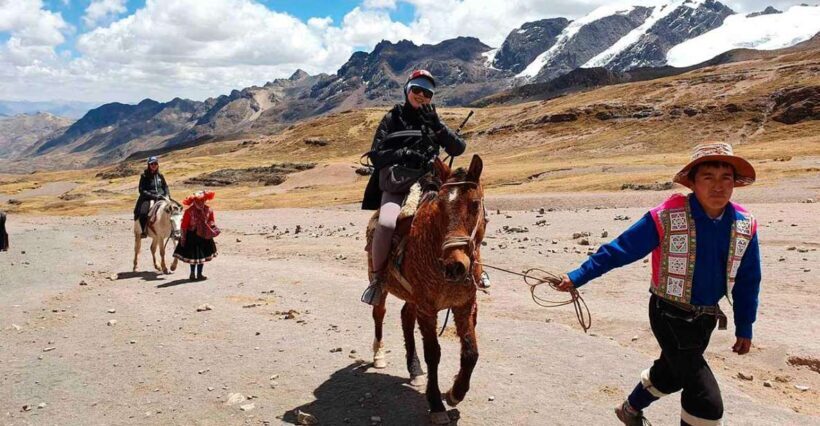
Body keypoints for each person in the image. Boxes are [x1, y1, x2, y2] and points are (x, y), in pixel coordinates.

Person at [557, 143, 761, 426]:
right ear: (693, 182)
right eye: (708, 177)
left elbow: (749, 279)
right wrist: (578, 275)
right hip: (668, 313)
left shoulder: (744, 224)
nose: (718, 186)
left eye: (726, 177)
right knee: (705, 398)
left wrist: (745, 325)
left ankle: (629, 409)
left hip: (706, 318)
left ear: (735, 183)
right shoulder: (667, 216)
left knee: (673, 373)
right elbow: (621, 249)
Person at [360, 69, 467, 304]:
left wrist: (437, 125)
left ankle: (474, 272)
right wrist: (404, 153)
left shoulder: (433, 118)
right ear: (407, 90)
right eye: (416, 90)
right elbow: (376, 156)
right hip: (398, 183)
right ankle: (378, 280)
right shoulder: (392, 118)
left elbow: (458, 148)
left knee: (467, 216)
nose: (421, 95)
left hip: (431, 182)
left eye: (427, 92)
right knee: (387, 224)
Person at [173, 191, 219, 281]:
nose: (201, 202)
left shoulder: (191, 211)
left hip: (198, 236)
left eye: (202, 200)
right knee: (198, 257)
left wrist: (183, 238)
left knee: (198, 257)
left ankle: (195, 274)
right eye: (199, 200)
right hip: (197, 236)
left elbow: (184, 226)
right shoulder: (205, 210)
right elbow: (184, 226)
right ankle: (196, 274)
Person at [134, 156, 170, 238]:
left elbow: (165, 186)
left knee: (175, 209)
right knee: (143, 213)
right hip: (148, 198)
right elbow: (142, 190)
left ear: (158, 165)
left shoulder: (160, 175)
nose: (154, 165)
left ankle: (173, 230)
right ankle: (143, 231)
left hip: (162, 197)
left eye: (155, 163)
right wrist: (154, 196)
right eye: (152, 164)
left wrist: (167, 195)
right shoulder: (144, 176)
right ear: (149, 165)